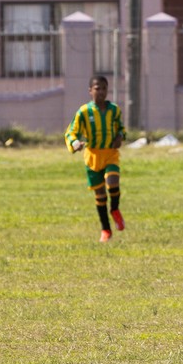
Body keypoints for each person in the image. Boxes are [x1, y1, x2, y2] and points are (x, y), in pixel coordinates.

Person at [64, 75, 126, 243]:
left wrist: (120, 137)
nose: (101, 92)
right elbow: (71, 132)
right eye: (97, 88)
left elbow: (121, 128)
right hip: (92, 156)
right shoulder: (84, 112)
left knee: (112, 182)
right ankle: (106, 229)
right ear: (90, 91)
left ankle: (115, 209)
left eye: (104, 88)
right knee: (100, 195)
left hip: (110, 153)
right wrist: (75, 143)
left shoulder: (114, 110)